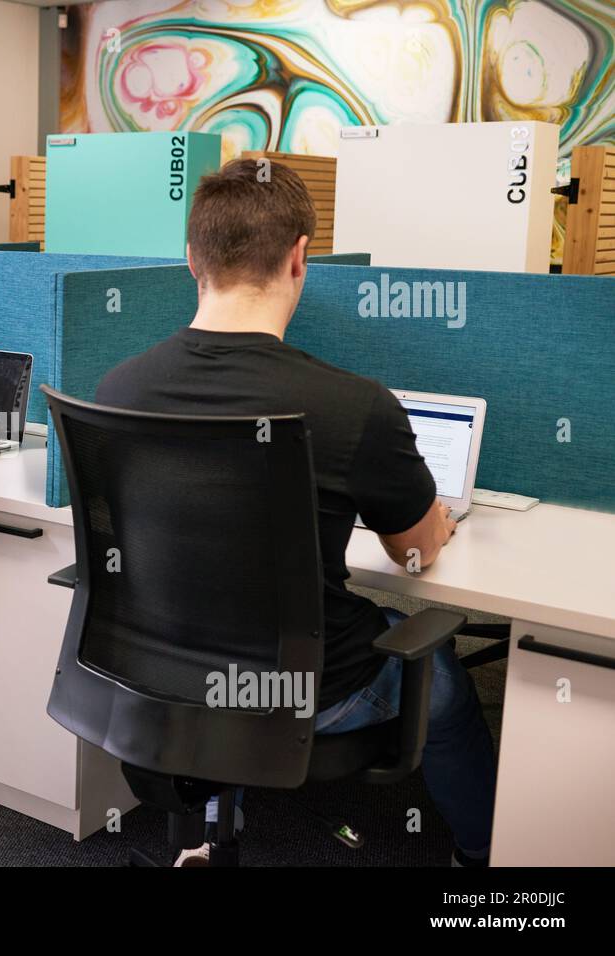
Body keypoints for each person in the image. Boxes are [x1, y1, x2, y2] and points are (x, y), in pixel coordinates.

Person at [95, 159, 497, 867]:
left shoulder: (118, 387)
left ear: (191, 259)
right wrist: (435, 516)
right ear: (301, 257)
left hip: (160, 677)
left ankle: (215, 819)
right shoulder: (354, 405)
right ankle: (483, 854)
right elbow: (416, 551)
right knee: (443, 670)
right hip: (313, 693)